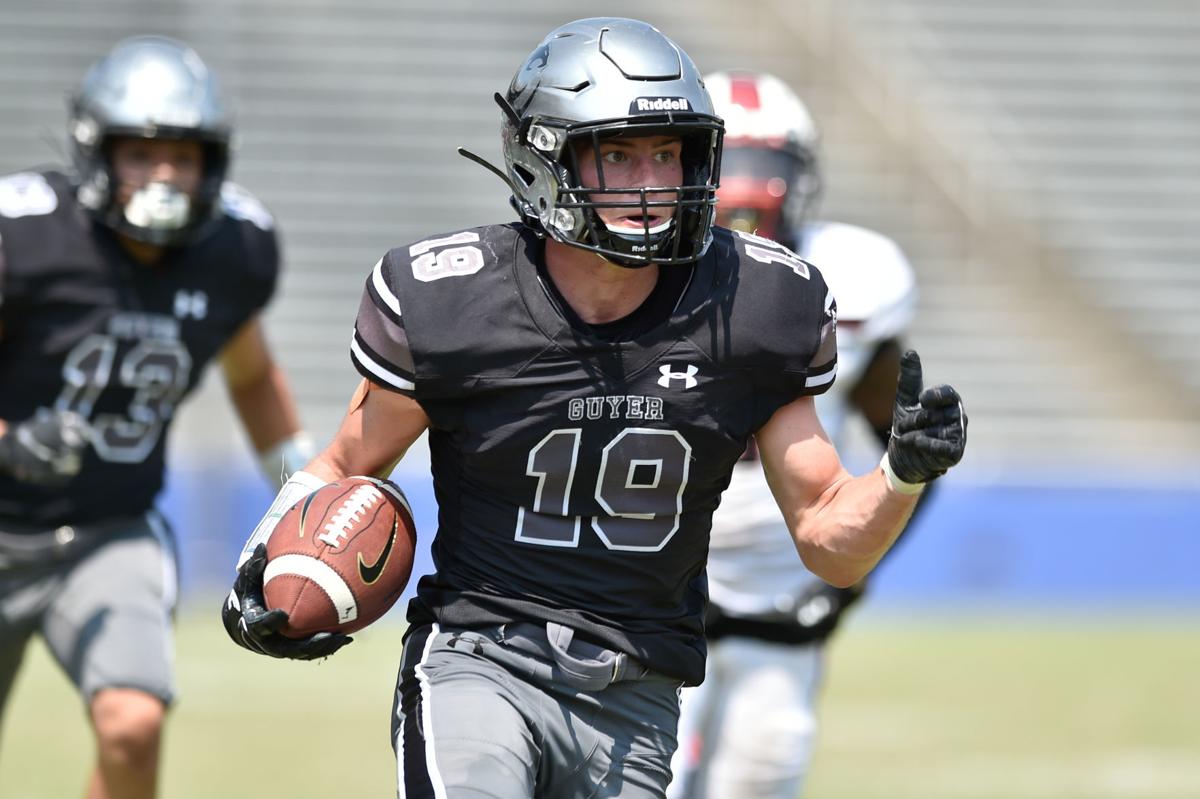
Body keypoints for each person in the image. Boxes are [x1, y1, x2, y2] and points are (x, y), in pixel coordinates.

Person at [222, 18, 967, 799]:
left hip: (637, 689)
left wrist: (900, 476)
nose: (652, 182)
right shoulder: (454, 299)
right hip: (481, 656)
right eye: (618, 153)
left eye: (667, 152)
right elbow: (346, 464)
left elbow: (826, 537)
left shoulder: (754, 305)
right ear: (546, 155)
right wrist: (269, 560)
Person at [0, 36, 313, 799]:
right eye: (142, 155)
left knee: (132, 722)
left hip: (110, 528)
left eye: (183, 155)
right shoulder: (27, 236)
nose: (165, 176)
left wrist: (300, 486)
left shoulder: (232, 251)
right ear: (96, 154)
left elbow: (252, 376)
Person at [668, 69, 929, 799]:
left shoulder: (854, 276)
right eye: (733, 165)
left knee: (763, 775)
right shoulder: (638, 275)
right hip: (652, 575)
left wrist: (850, 578)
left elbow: (902, 448)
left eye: (770, 167)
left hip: (784, 589)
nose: (752, 192)